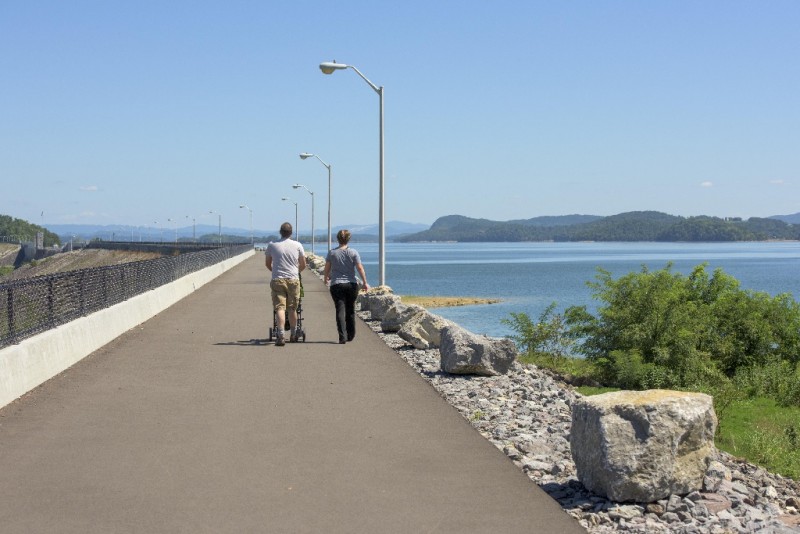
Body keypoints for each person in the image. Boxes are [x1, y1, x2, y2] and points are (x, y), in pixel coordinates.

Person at [323, 229, 369, 344]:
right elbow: (359, 268)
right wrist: (364, 282)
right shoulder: (353, 252)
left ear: (337, 239)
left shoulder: (332, 252)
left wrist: (325, 278)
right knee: (350, 310)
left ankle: (342, 336)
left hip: (337, 284)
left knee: (340, 310)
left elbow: (327, 268)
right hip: (351, 284)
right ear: (348, 239)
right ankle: (351, 334)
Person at [266, 222, 306, 346]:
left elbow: (268, 263)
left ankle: (281, 334)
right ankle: (293, 334)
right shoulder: (298, 245)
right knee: (292, 308)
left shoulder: (272, 245)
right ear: (291, 232)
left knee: (279, 307)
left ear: (280, 232)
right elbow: (303, 264)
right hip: (293, 279)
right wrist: (296, 271)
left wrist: (275, 272)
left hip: (278, 279)